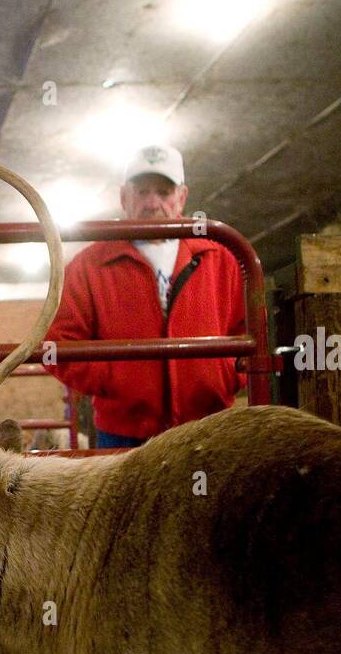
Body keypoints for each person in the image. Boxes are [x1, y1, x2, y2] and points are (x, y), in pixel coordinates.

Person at [44, 144, 245, 448]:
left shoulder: (220, 258)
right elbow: (57, 346)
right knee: (126, 497)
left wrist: (224, 377)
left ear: (182, 197)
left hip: (208, 423)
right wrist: (116, 379)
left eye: (164, 192)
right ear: (123, 197)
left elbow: (248, 333)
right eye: (142, 192)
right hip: (124, 432)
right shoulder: (89, 265)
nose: (152, 203)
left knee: (209, 496)